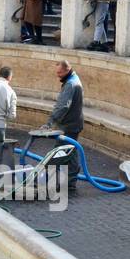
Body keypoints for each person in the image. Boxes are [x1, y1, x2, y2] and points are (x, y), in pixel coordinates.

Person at [46, 60, 85, 189]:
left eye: (60, 72)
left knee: (58, 153)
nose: (58, 75)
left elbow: (63, 106)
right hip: (74, 123)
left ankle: (44, 179)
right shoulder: (73, 79)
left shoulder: (70, 84)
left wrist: (50, 123)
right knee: (71, 152)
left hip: (69, 125)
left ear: (67, 70)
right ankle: (70, 182)